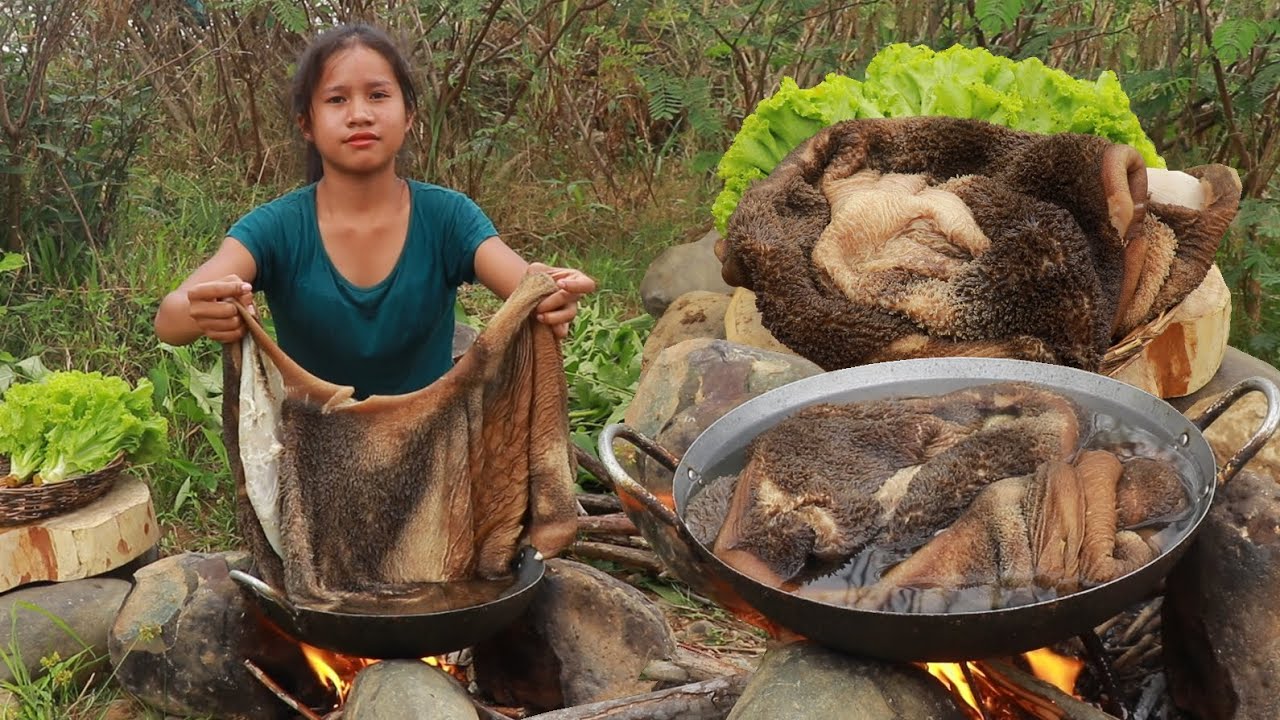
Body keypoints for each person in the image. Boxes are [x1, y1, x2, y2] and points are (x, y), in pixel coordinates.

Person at [154, 23, 595, 398]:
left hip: (433, 441)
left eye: (378, 95)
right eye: (337, 99)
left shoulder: (448, 217)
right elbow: (169, 319)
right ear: (306, 123)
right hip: (312, 444)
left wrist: (550, 292)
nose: (360, 114)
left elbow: (529, 291)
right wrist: (204, 310)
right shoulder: (276, 228)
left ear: (409, 115)